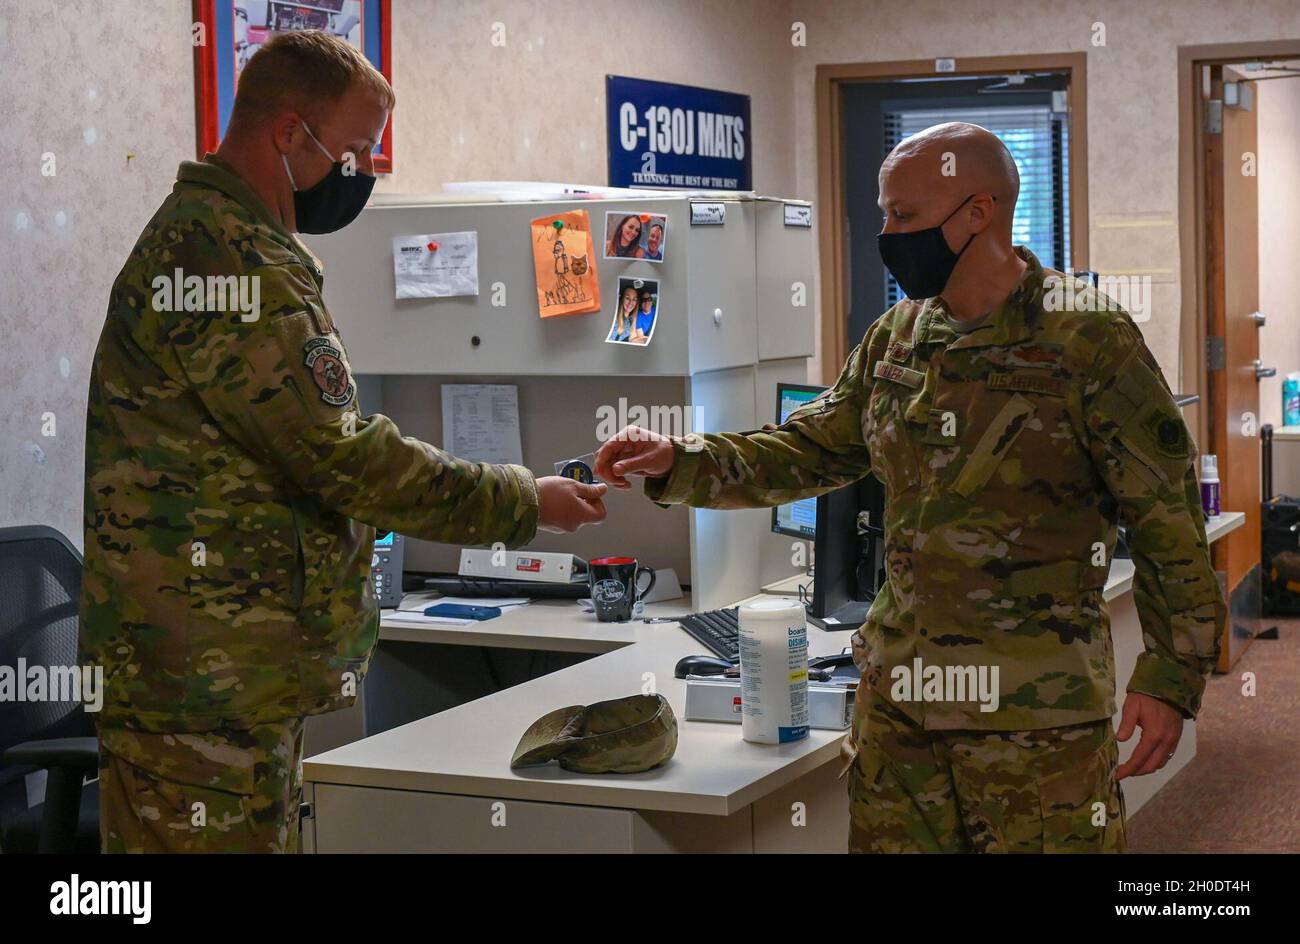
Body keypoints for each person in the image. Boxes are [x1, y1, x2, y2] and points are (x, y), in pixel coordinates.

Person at [595, 121, 1224, 854]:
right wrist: (679, 461)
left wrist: (1170, 677)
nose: (889, 234)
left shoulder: (1086, 338)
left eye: (906, 216)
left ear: (979, 213)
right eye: (885, 214)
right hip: (901, 709)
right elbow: (812, 450)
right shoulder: (899, 334)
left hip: (1031, 718)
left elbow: (1167, 520)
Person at [80, 30, 607, 853]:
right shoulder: (225, 259)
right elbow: (340, 454)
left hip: (228, 671)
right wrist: (520, 500)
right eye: (355, 150)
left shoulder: (246, 244)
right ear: (290, 133)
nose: (362, 173)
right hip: (201, 683)